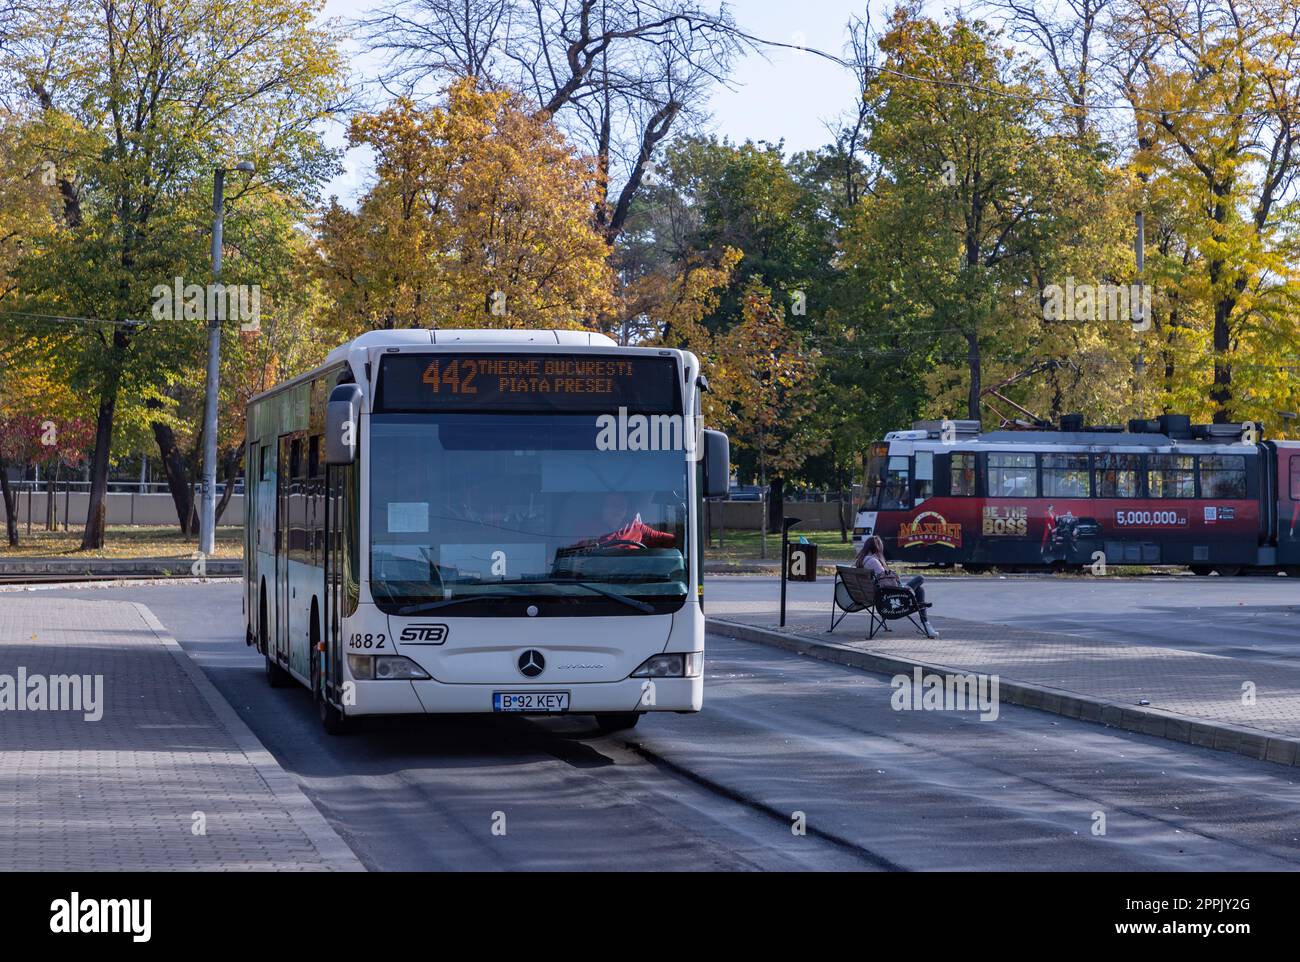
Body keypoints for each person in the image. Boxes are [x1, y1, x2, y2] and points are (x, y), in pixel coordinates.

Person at [854, 535, 938, 638]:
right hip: (890, 595)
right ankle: (925, 623)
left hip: (874, 594)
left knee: (920, 590)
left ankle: (925, 624)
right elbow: (886, 578)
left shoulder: (862, 560)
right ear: (877, 547)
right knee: (920, 578)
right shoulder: (873, 561)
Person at [567, 491, 677, 553]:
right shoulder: (585, 529)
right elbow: (572, 553)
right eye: (613, 504)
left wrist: (688, 536)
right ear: (602, 508)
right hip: (597, 581)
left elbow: (667, 539)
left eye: (622, 505)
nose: (618, 509)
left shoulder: (635, 526)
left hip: (634, 580)